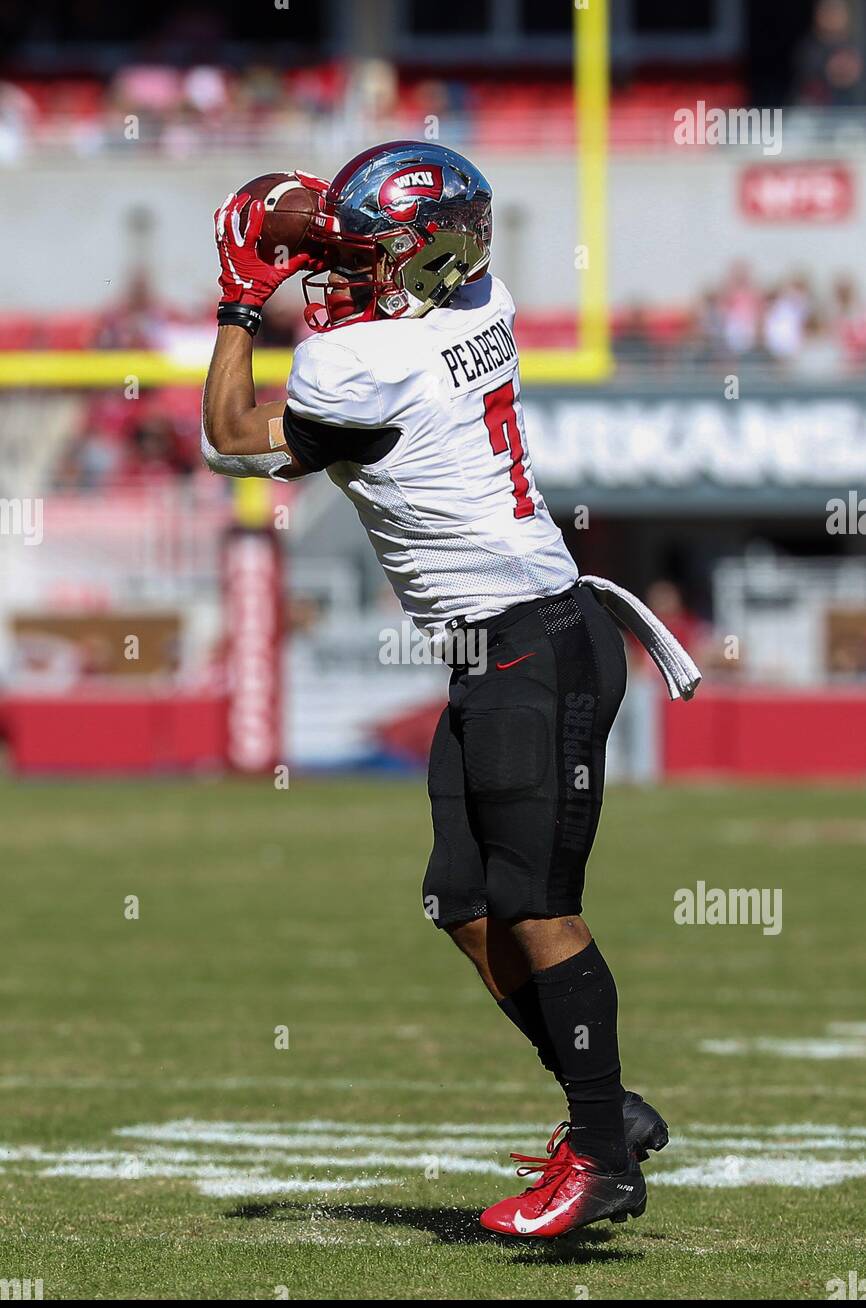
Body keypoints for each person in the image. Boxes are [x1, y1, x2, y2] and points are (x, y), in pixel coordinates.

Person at [201, 142, 671, 1239]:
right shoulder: (481, 302)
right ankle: (609, 1110)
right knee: (461, 901)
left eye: (364, 257)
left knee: (534, 905)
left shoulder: (364, 368)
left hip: (529, 643)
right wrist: (322, 222)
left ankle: (600, 1157)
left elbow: (230, 438)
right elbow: (391, 278)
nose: (341, 274)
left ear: (421, 258)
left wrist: (236, 302)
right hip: (501, 644)